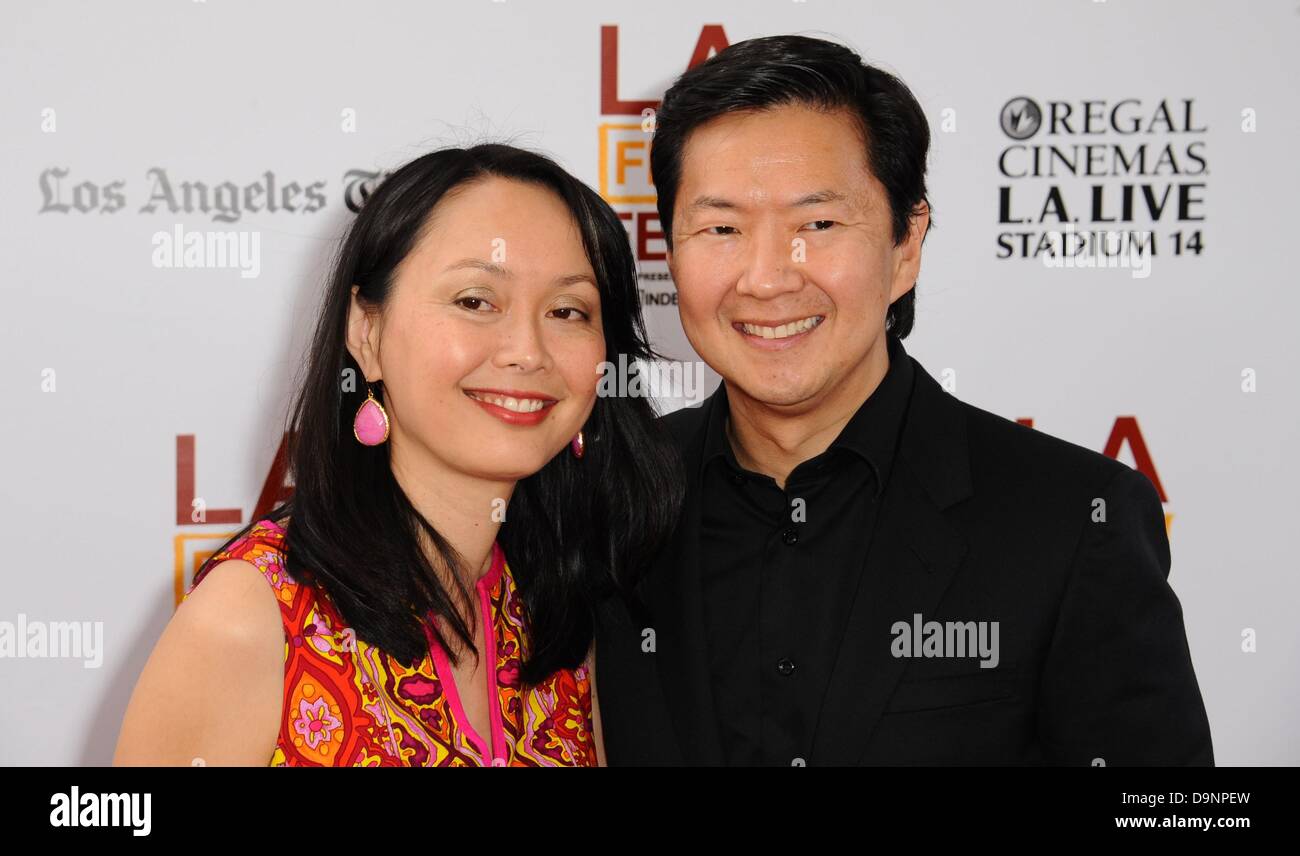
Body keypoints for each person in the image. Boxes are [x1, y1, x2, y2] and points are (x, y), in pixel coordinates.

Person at [593, 35, 1214, 765]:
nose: (765, 278)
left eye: (817, 225)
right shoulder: (610, 504)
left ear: (906, 244)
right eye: (721, 228)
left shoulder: (1074, 521)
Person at [115, 144, 682, 766]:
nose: (527, 350)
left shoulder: (568, 622)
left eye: (568, 310)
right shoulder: (251, 618)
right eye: (475, 301)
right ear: (368, 332)